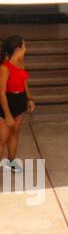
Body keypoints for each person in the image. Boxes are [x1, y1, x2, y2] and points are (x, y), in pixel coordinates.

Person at [0, 36, 26, 166]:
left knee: (15, 133)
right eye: (24, 46)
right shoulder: (5, 68)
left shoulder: (21, 62)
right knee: (2, 139)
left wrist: (29, 98)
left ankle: (11, 162)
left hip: (20, 100)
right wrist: (8, 114)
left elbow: (24, 81)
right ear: (17, 49)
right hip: (7, 102)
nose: (26, 48)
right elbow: (2, 93)